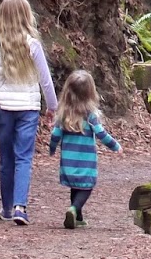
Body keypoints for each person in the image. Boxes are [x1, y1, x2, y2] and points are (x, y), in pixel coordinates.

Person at [0, 0, 57, 225]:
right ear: (25, 15)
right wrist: (52, 106)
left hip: (2, 109)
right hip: (28, 110)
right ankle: (20, 206)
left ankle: (6, 208)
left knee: (6, 159)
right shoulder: (32, 44)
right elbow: (46, 80)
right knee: (24, 158)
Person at [47, 70, 121, 229]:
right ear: (90, 93)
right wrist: (115, 146)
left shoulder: (64, 115)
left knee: (75, 186)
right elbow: (101, 134)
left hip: (68, 161)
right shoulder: (90, 116)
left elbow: (55, 134)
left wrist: (52, 149)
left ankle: (77, 216)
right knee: (86, 187)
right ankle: (74, 209)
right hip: (86, 162)